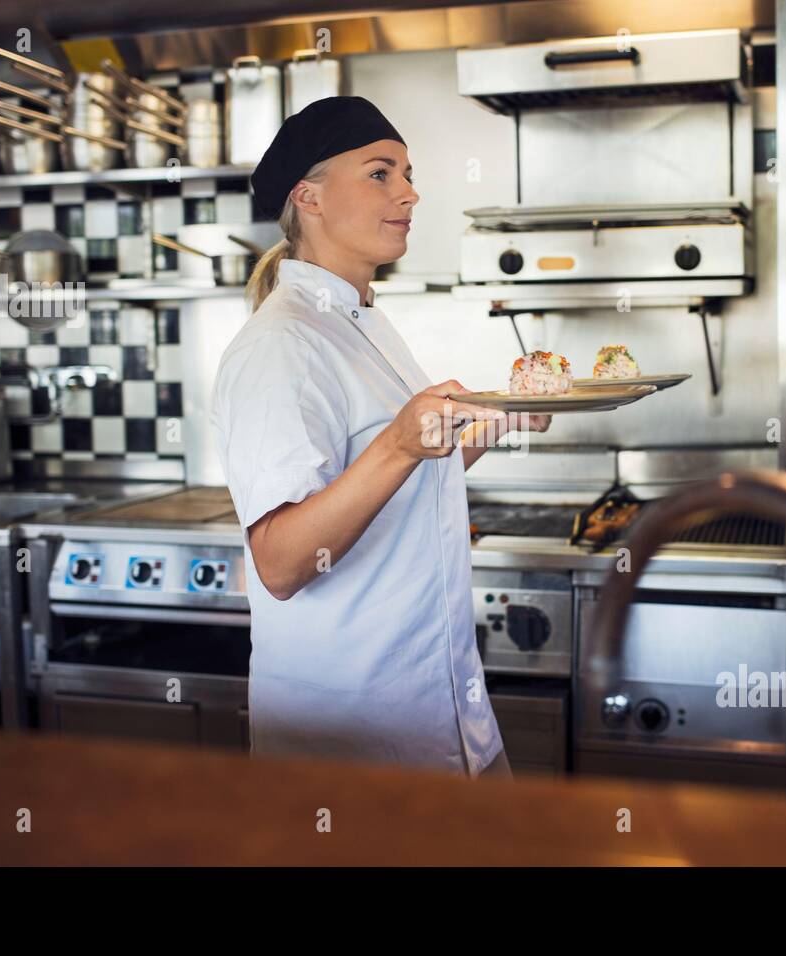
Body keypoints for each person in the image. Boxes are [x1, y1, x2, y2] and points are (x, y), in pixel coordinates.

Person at [211, 96, 548, 779]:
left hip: (439, 707)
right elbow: (279, 563)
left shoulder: (362, 322)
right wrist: (397, 442)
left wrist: (509, 415)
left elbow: (413, 464)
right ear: (309, 196)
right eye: (381, 174)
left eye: (407, 174)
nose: (410, 193)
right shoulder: (280, 346)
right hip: (351, 743)